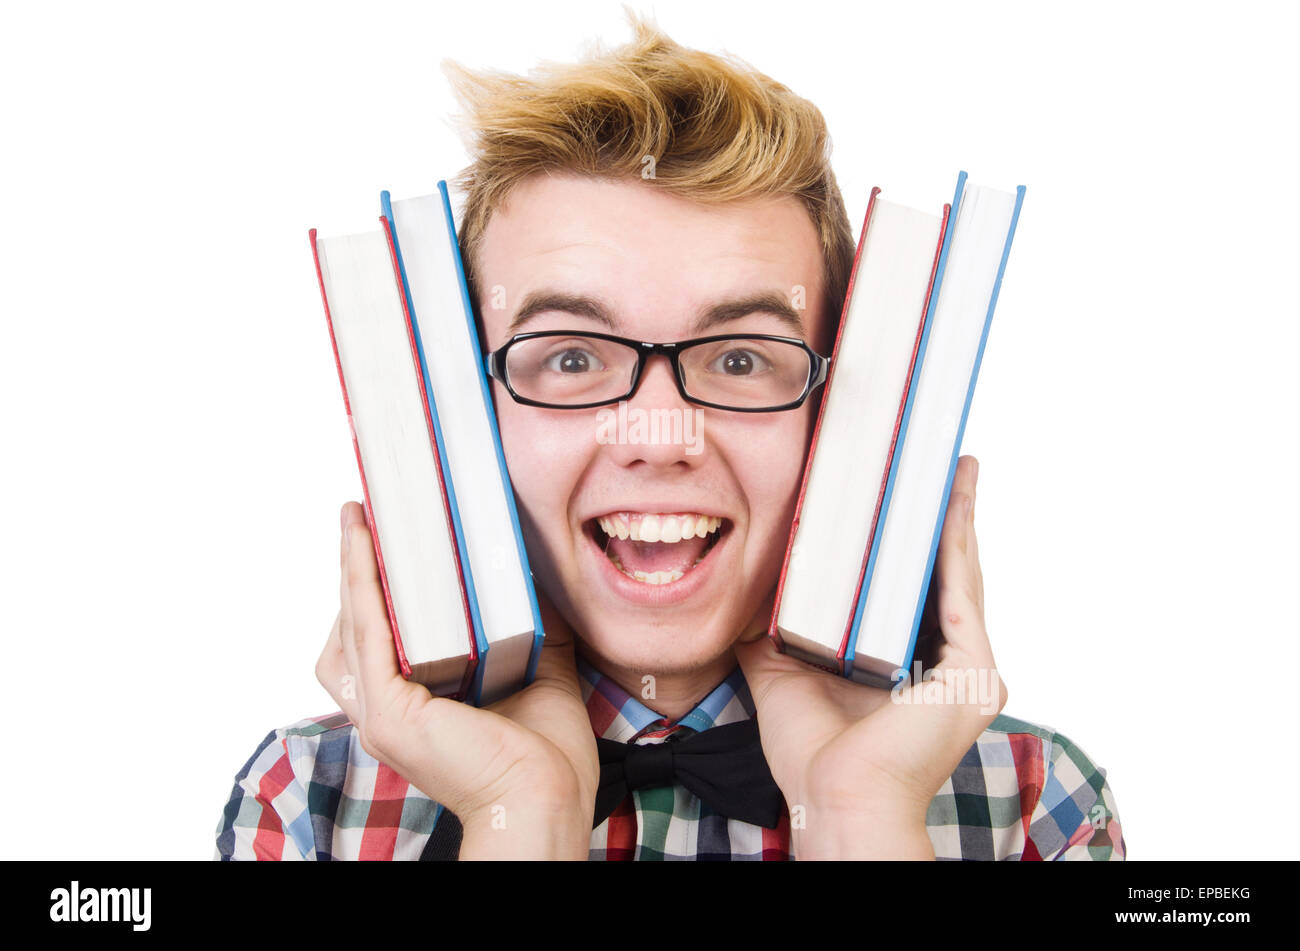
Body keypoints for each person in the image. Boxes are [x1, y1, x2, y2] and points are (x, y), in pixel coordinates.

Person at [215, 13, 1124, 860]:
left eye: (738, 359)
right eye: (570, 357)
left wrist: (864, 817)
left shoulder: (1038, 805)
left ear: (851, 411)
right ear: (453, 413)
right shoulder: (309, 801)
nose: (661, 435)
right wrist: (516, 811)